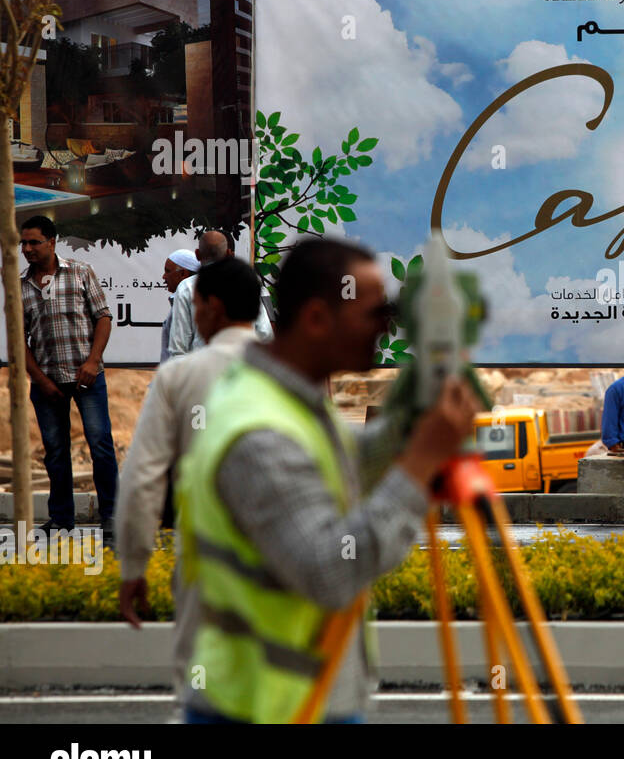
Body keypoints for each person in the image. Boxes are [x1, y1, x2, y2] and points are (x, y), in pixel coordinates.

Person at [177, 239, 478, 723]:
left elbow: (334, 469)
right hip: (258, 707)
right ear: (317, 318)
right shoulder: (257, 431)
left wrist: (405, 427)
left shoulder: (285, 397)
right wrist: (419, 463)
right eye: (372, 312)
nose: (385, 325)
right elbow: (328, 572)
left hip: (307, 697)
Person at [117, 258, 265, 693]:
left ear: (213, 307)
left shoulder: (179, 377)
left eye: (195, 304)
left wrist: (133, 564)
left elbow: (143, 478)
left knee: (207, 687)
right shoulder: (291, 372)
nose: (193, 314)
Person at [19, 215, 118, 542]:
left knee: (101, 445)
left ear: (52, 241)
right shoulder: (20, 285)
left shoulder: (80, 270)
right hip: (47, 382)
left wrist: (93, 361)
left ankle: (112, 518)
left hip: (87, 377)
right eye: (24, 243)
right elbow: (19, 341)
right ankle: (61, 519)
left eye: (34, 242)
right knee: (56, 452)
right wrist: (41, 381)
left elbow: (103, 317)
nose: (27, 249)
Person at [168, 230, 271, 358]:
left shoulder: (187, 287)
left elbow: (178, 347)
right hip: (244, 370)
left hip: (202, 371)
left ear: (198, 254)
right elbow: (265, 334)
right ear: (230, 253)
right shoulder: (248, 283)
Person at [159, 249, 199, 362]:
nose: (164, 277)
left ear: (183, 274)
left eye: (168, 271)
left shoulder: (188, 302)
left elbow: (179, 349)